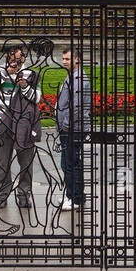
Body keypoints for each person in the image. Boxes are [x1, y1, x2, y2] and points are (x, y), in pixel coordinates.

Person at [0, 44, 41, 230]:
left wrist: (24, 87)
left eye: (19, 58)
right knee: (2, 161)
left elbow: (37, 98)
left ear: (24, 57)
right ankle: (1, 196)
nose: (16, 62)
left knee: (26, 162)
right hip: (3, 123)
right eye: (12, 58)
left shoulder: (31, 74)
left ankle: (24, 195)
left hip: (24, 124)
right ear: (6, 58)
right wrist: (6, 74)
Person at [56, 47, 90, 211]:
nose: (64, 62)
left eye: (67, 59)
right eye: (63, 59)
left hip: (72, 128)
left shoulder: (79, 79)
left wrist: (65, 126)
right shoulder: (73, 76)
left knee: (71, 164)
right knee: (70, 163)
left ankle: (74, 198)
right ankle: (75, 195)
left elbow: (76, 107)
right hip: (71, 127)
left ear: (77, 59)